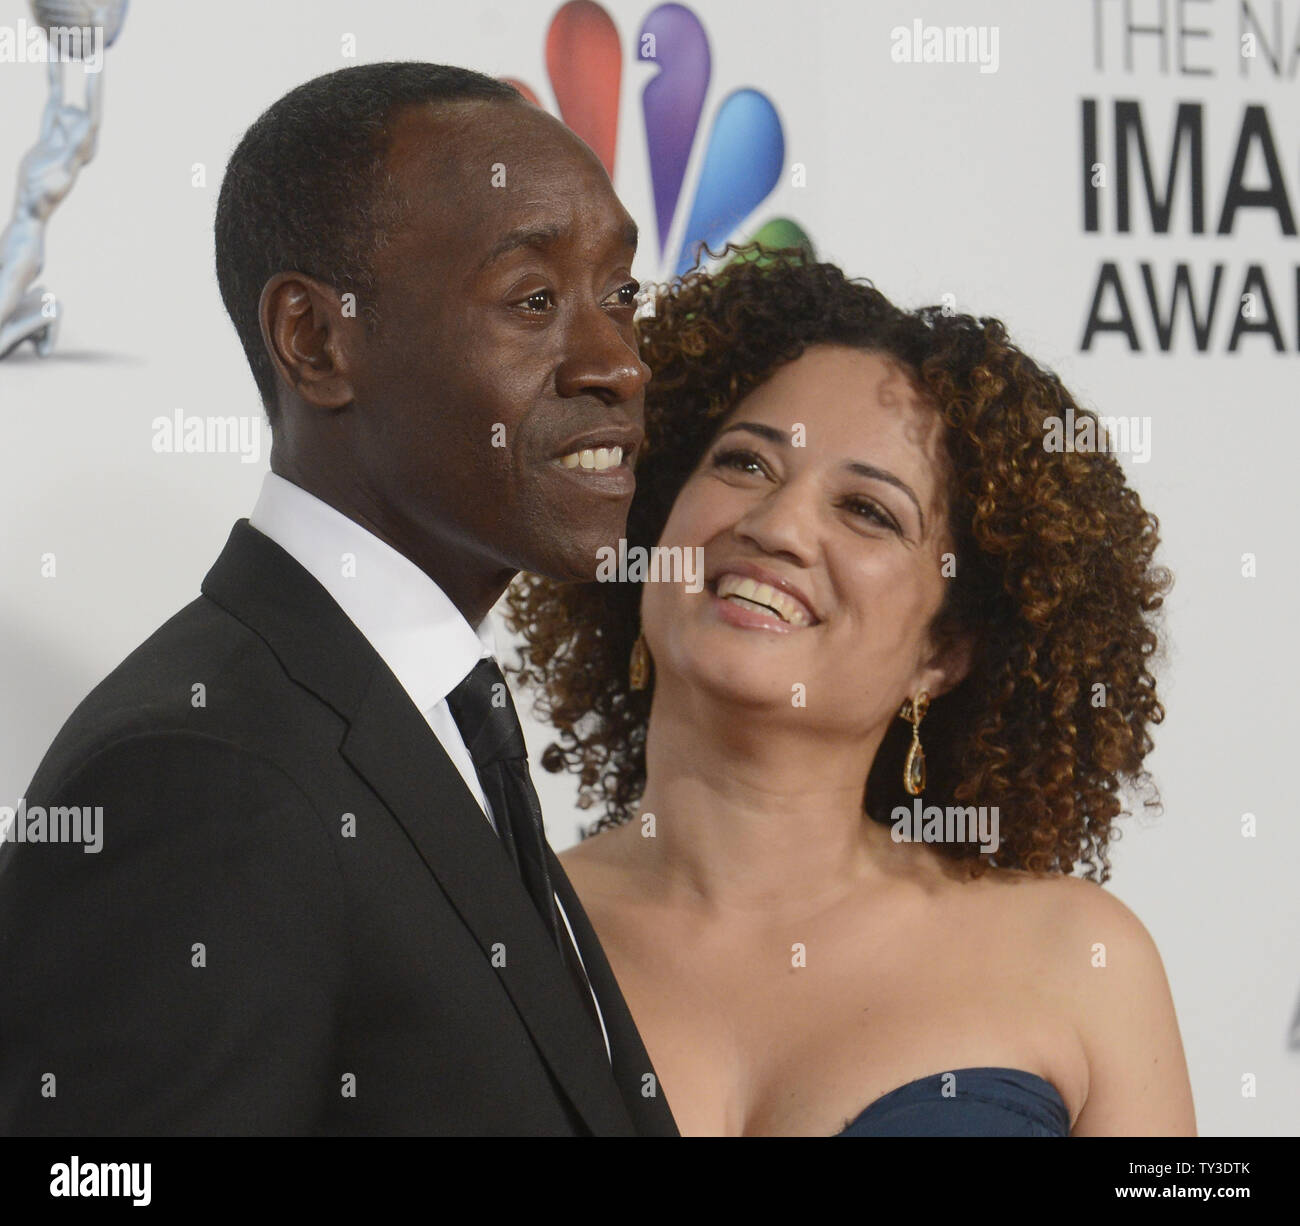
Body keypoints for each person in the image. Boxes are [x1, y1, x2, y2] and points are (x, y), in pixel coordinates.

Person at [0, 62, 678, 1137]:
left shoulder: (425, 721)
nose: (617, 363)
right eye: (535, 300)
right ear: (316, 341)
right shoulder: (200, 779)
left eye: (620, 295)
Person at [505, 249, 1198, 1137]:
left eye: (869, 511)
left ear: (944, 651)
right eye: (745, 464)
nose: (778, 526)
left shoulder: (1083, 959)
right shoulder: (486, 934)